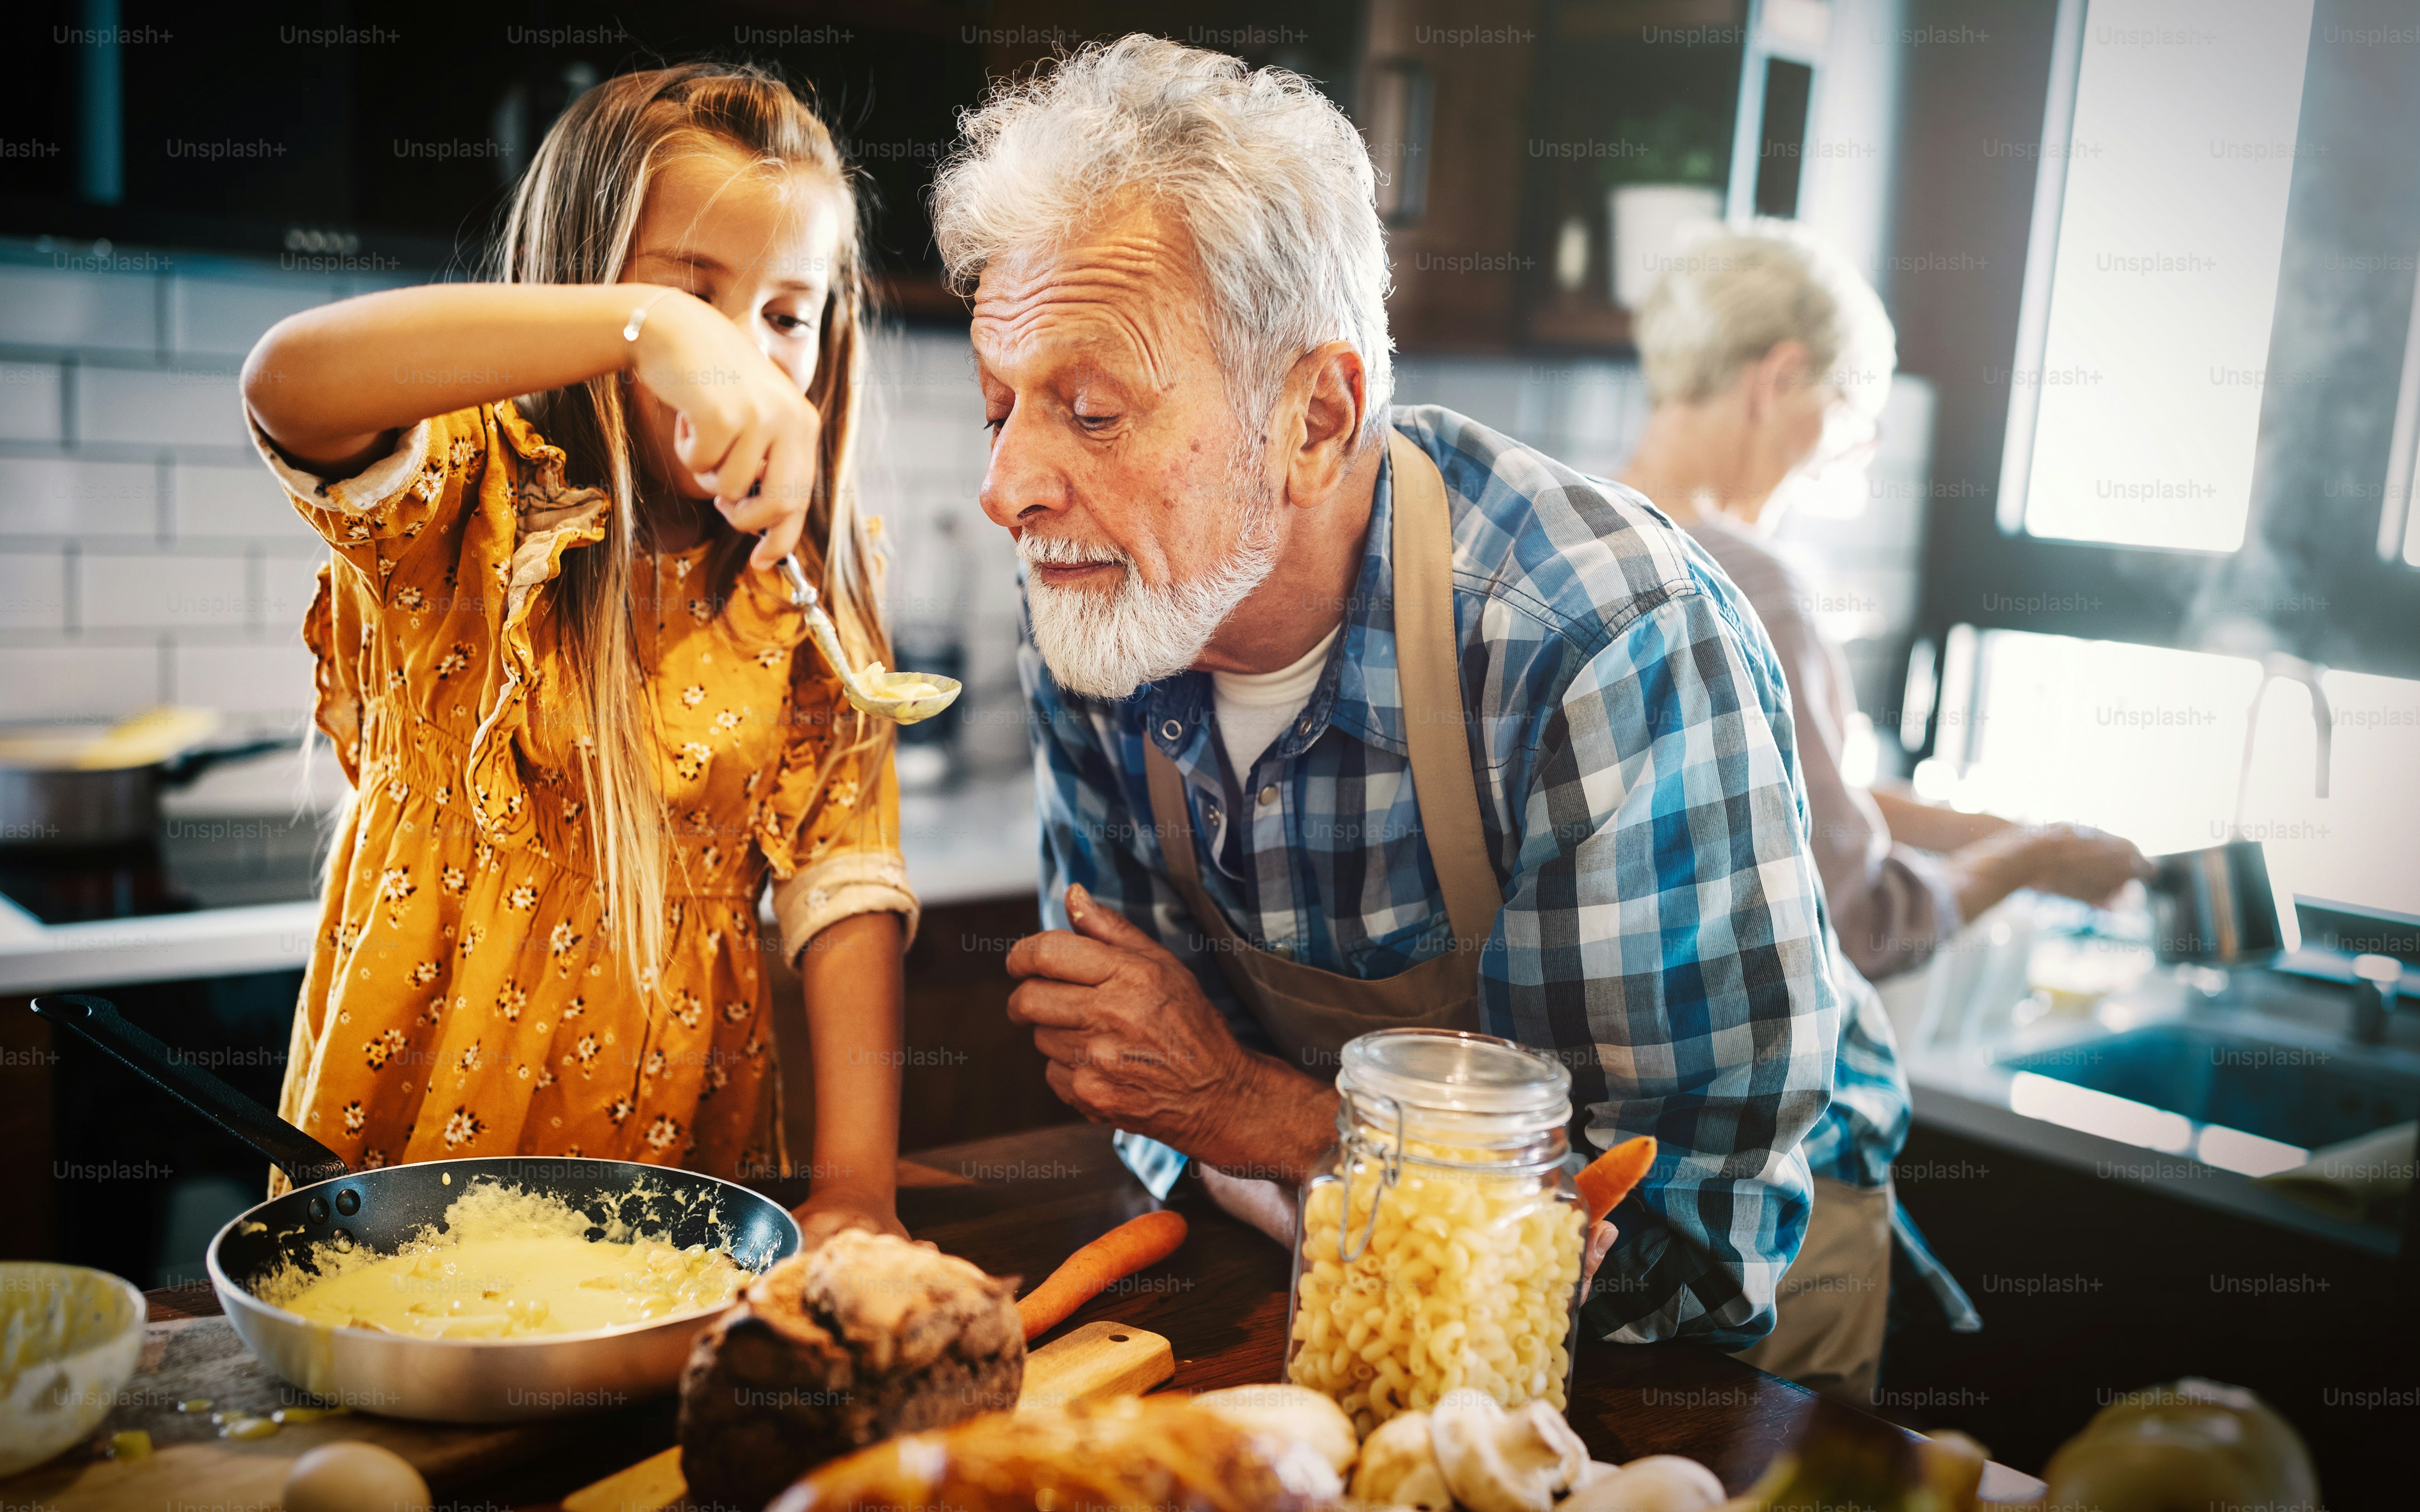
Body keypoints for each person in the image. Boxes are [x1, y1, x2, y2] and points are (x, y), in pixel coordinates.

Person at [931, 36, 1908, 1394]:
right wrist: (1312, 1169)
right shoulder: (1107, 608)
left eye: (1091, 413)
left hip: (1699, 1363)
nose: (1009, 486)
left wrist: (1257, 1114)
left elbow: (1675, 1239)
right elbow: (1144, 1090)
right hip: (1341, 1275)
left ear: (1317, 416)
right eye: (999, 409)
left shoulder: (1597, 643)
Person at [241, 64, 917, 1248]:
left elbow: (844, 886)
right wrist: (646, 331)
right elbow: (288, 384)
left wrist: (859, 1188)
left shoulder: (799, 594)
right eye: (694, 296)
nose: (744, 354)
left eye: (786, 313)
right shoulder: (469, 503)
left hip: (672, 1207)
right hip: (408, 1203)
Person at [1616, 222, 2153, 984]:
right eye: (1850, 415)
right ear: (1779, 379)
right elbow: (1856, 922)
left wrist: (2001, 831)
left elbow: (1793, 799)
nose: (1844, 453)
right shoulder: (1753, 585)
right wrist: (2032, 859)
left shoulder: (1577, 531)